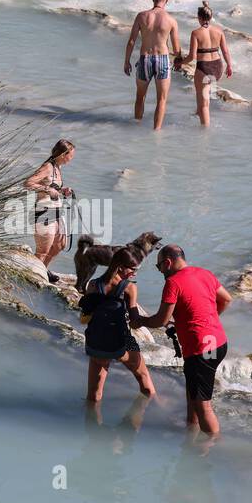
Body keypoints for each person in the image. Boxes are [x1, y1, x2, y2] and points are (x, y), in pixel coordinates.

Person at [130, 245, 232, 435]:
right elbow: (226, 299)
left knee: (204, 407)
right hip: (219, 342)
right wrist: (206, 320)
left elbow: (161, 320)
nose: (160, 271)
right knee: (193, 388)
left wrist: (141, 321)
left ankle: (208, 449)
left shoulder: (173, 283)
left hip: (201, 348)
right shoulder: (205, 273)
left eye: (159, 267)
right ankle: (190, 426)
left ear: (167, 262)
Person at [79, 248, 157, 403]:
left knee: (94, 396)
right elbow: (134, 324)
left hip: (95, 344)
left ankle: (90, 425)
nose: (134, 273)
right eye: (133, 269)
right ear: (121, 267)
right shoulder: (129, 288)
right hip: (120, 344)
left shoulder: (92, 285)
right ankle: (153, 410)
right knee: (144, 378)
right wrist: (154, 321)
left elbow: (85, 317)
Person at [124, 0, 182, 131]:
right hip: (162, 60)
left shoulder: (141, 16)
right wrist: (179, 61)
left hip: (145, 59)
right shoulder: (171, 20)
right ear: (166, 1)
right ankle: (156, 132)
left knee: (140, 96)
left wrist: (127, 61)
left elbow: (131, 41)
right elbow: (176, 49)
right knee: (161, 100)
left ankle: (136, 126)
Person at [24, 139, 76, 283]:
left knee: (60, 244)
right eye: (71, 155)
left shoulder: (57, 168)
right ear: (63, 154)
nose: (72, 158)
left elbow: (51, 187)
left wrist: (62, 190)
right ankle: (33, 278)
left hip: (55, 212)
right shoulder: (47, 167)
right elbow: (28, 183)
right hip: (44, 212)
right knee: (43, 250)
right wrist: (47, 189)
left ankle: (43, 271)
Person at [184, 1, 232, 127]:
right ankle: (197, 114)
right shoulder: (219, 31)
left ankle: (205, 135)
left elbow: (191, 57)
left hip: (204, 68)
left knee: (203, 103)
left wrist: (180, 63)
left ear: (199, 18)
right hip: (218, 67)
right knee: (205, 95)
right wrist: (229, 66)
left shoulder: (195, 33)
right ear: (210, 17)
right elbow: (225, 51)